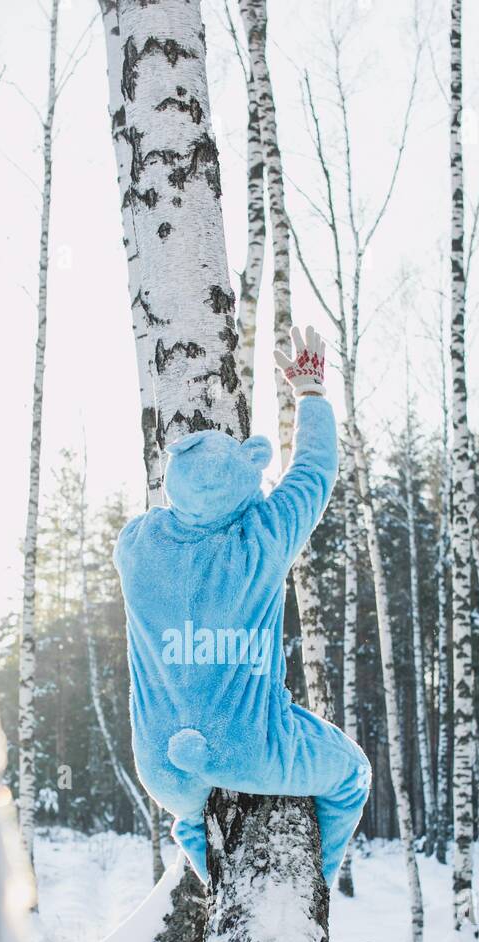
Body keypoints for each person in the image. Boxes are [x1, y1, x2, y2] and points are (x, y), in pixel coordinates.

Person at [114, 325, 371, 886]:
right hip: (247, 749)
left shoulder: (136, 548)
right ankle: (314, 888)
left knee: (189, 813)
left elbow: (176, 511)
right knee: (352, 773)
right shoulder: (263, 538)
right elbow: (313, 473)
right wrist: (310, 393)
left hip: (160, 767)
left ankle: (205, 860)